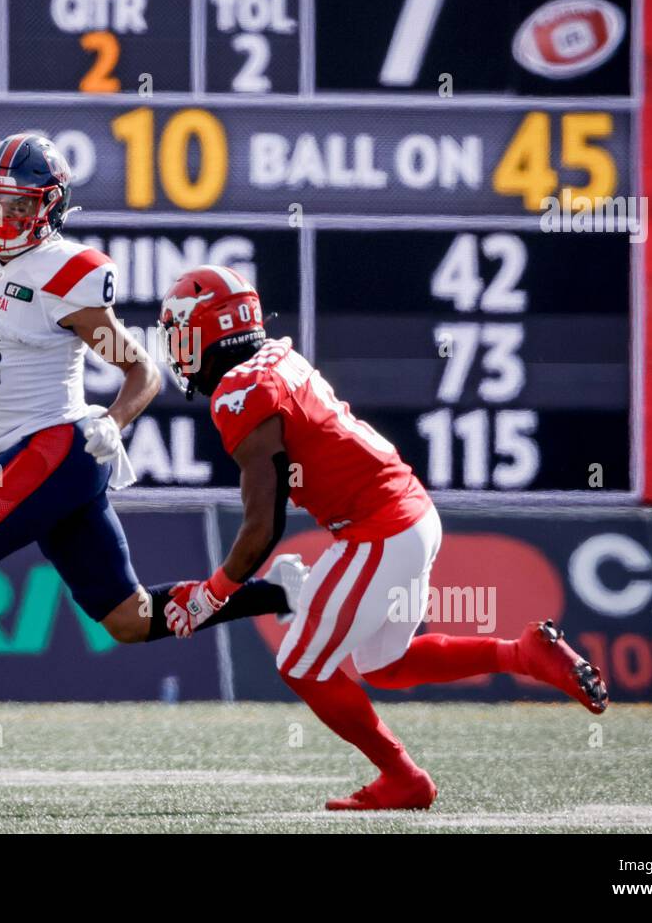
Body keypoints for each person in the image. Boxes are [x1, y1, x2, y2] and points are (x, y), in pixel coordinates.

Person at [0, 136, 299, 780]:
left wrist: (112, 422)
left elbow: (141, 369)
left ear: (49, 208)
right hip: (29, 450)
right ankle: (277, 594)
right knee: (129, 619)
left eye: (16, 206)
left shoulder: (68, 272)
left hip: (61, 445)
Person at [158, 264, 609, 810]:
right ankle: (522, 654)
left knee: (301, 663)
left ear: (213, 330)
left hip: (379, 530)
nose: (178, 350)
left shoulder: (240, 391)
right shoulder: (277, 358)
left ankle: (404, 777)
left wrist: (211, 594)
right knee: (384, 666)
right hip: (410, 514)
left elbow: (263, 524)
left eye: (183, 334)